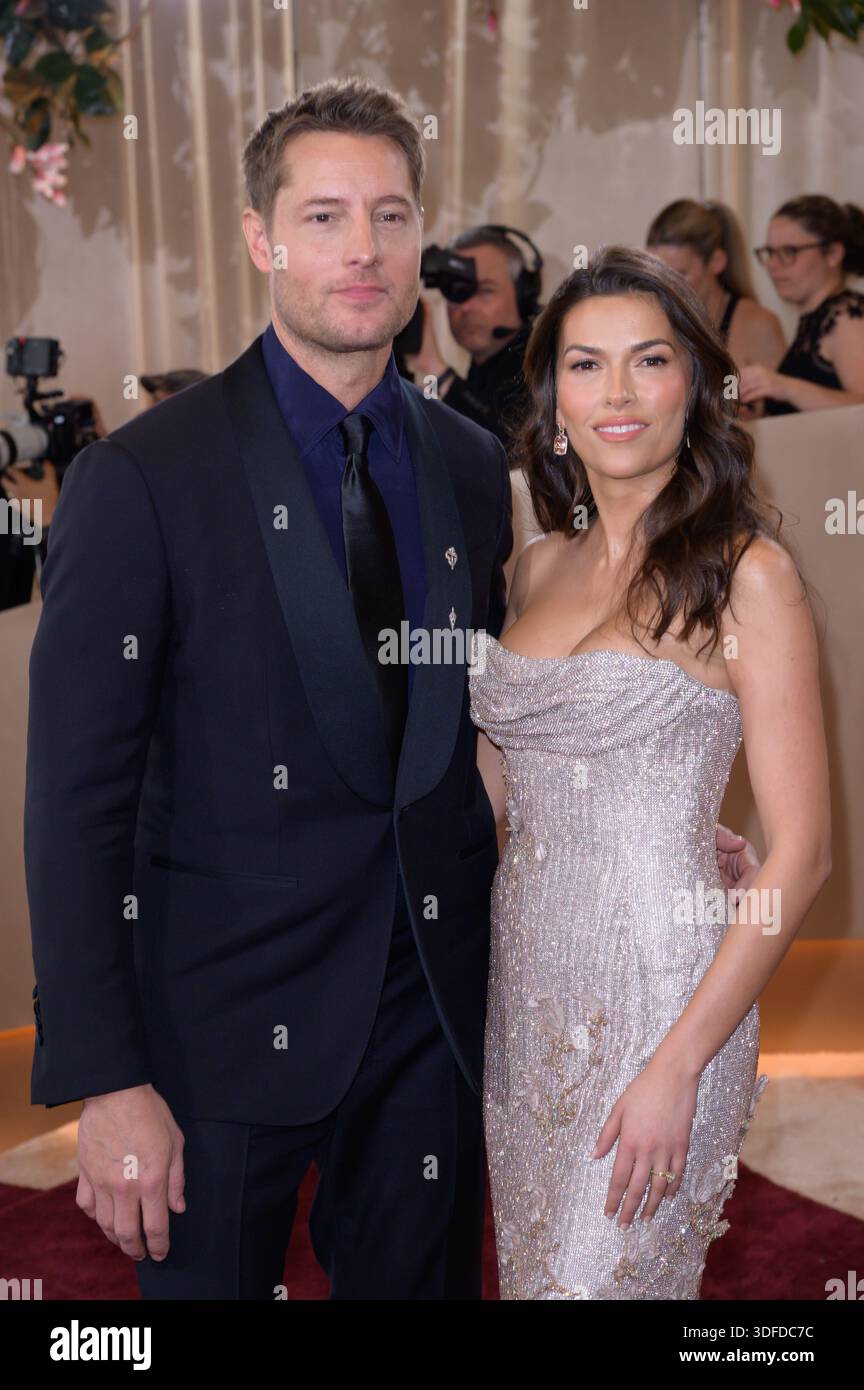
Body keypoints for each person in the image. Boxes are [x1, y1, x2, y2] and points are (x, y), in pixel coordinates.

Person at [24, 78, 762, 1303]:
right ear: (260, 239)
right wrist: (108, 1077)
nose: (361, 251)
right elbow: (74, 800)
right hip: (216, 1043)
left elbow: (481, 715)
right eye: (322, 218)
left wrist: (641, 808)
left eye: (388, 214)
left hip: (436, 1020)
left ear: (419, 237)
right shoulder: (144, 479)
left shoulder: (474, 468)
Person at [469, 246, 831, 1300]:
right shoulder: (533, 566)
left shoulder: (747, 573)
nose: (617, 394)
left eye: (650, 361)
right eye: (586, 365)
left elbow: (802, 853)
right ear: (553, 398)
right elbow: (492, 788)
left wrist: (679, 1066)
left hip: (665, 998)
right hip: (524, 993)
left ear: (695, 385)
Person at [404, 226, 537, 458]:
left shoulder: (544, 364)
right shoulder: (483, 371)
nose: (466, 307)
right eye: (457, 292)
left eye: (485, 290)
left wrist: (435, 367)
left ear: (522, 294)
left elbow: (505, 449)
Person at [646, 199, 786, 418]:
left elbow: (783, 420)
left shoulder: (758, 325)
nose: (666, 285)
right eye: (658, 274)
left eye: (680, 273)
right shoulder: (650, 320)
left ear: (716, 262)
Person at [742, 196, 864, 415]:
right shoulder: (815, 318)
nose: (772, 266)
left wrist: (785, 387)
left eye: (789, 252)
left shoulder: (846, 315)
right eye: (770, 252)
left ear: (833, 254)